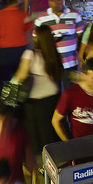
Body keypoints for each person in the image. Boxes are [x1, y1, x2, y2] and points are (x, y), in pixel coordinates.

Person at [12, 24, 65, 156]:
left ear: (37, 39)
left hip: (34, 106)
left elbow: (20, 76)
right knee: (50, 139)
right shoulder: (56, 56)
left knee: (33, 142)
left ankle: (37, 169)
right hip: (53, 103)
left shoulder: (30, 54)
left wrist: (8, 96)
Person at [52, 57, 93, 140]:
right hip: (80, 143)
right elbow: (55, 120)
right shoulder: (70, 94)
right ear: (83, 76)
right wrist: (68, 143)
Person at [0, 0, 34, 88]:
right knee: (20, 77)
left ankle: (2, 99)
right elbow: (28, 28)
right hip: (20, 49)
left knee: (3, 80)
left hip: (2, 51)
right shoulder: (23, 15)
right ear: (17, 1)